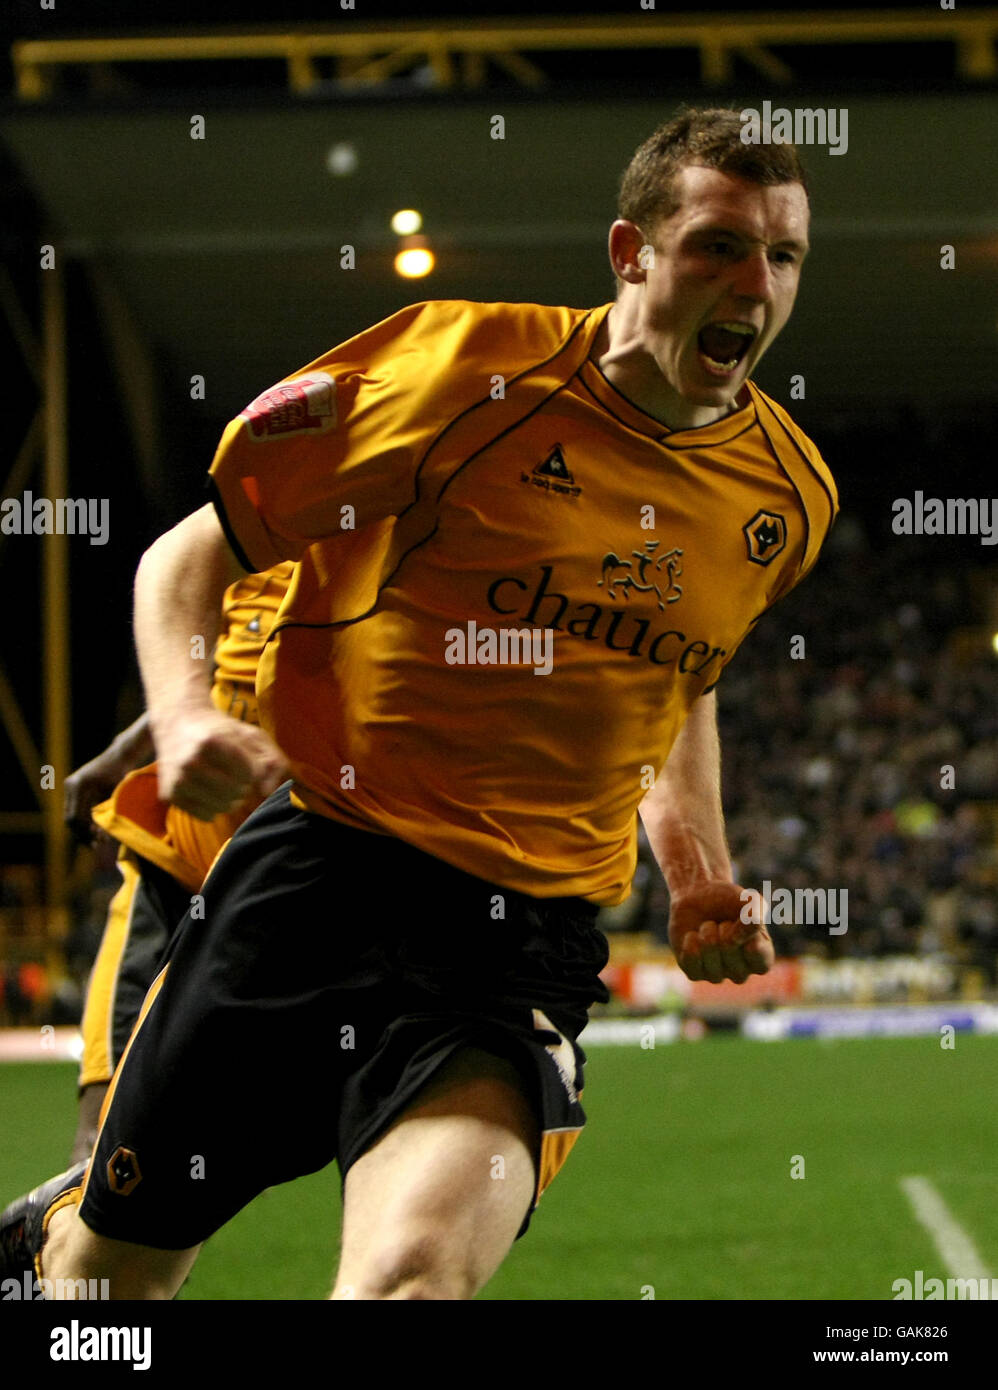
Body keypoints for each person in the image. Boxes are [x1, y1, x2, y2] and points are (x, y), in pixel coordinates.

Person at [33, 106, 837, 1301]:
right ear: (631, 253)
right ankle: (52, 1245)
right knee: (108, 1284)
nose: (752, 284)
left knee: (410, 1281)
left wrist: (698, 869)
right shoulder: (460, 370)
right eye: (717, 245)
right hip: (316, 876)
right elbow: (183, 557)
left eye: (779, 256)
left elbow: (680, 678)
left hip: (516, 942)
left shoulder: (788, 496)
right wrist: (190, 714)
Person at [0, 565, 292, 1275]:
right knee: (105, 1147)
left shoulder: (382, 537)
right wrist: (124, 755)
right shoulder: (258, 525)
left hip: (293, 900)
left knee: (200, 1162)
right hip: (173, 872)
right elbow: (217, 666)